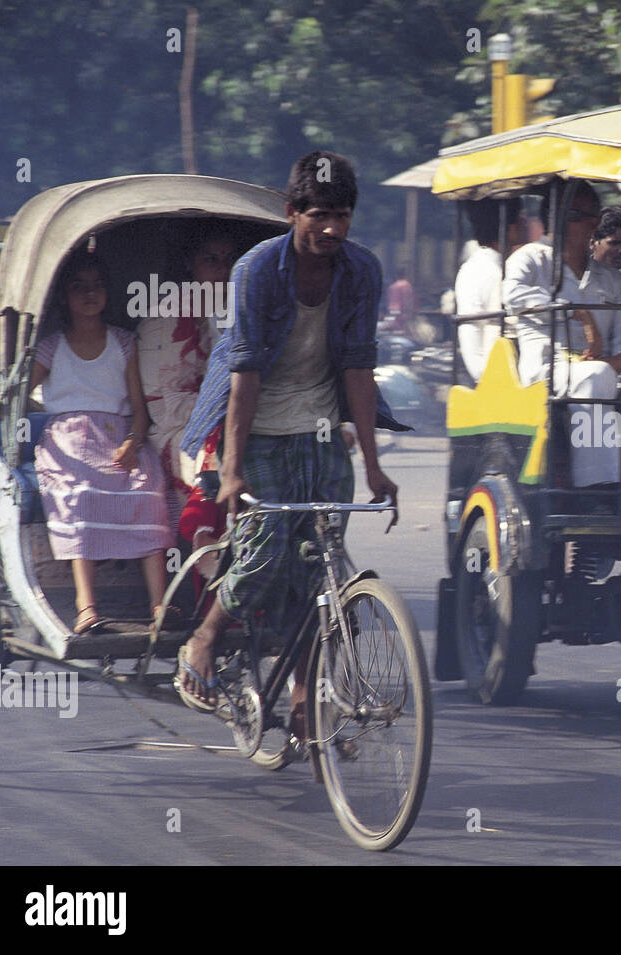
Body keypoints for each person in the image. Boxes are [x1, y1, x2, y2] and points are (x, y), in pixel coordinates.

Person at [175, 150, 402, 722]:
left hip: (321, 435)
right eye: (318, 214)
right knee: (263, 556)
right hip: (259, 432)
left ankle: (304, 697)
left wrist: (373, 465)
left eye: (342, 216)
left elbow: (357, 367)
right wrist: (230, 467)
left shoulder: (362, 271)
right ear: (292, 211)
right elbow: (243, 375)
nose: (331, 228)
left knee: (316, 574)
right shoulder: (257, 271)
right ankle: (203, 636)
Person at [0, 252, 171, 633]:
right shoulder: (52, 347)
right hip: (68, 441)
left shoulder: (124, 342)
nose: (89, 293)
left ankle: (159, 605)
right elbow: (16, 395)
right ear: (64, 297)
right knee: (77, 495)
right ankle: (87, 606)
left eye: (97, 285)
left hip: (119, 437)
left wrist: (134, 442)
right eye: (78, 287)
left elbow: (139, 408)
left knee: (148, 493)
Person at [501, 185, 621, 487]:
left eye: (593, 217)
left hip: (601, 369)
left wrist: (612, 361)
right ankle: (597, 486)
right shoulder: (530, 260)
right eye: (580, 217)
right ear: (556, 220)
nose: (591, 225)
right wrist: (575, 312)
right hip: (545, 372)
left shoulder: (614, 278)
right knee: (596, 375)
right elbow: (513, 298)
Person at [137, 228, 237, 529]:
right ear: (190, 264)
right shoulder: (167, 318)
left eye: (230, 260)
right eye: (211, 260)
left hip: (234, 421)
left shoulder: (241, 310)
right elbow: (169, 405)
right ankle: (204, 546)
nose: (223, 269)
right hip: (180, 430)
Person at [455, 197, 524, 382]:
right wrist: (486, 376)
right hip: (498, 376)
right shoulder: (495, 272)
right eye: (519, 218)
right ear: (509, 228)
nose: (524, 222)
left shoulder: (475, 266)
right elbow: (472, 329)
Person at [384, 265, 416, 335]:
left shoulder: (392, 286)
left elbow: (389, 299)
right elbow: (407, 299)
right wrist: (410, 311)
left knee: (395, 330)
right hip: (402, 311)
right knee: (403, 330)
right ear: (405, 274)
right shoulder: (406, 285)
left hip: (392, 310)